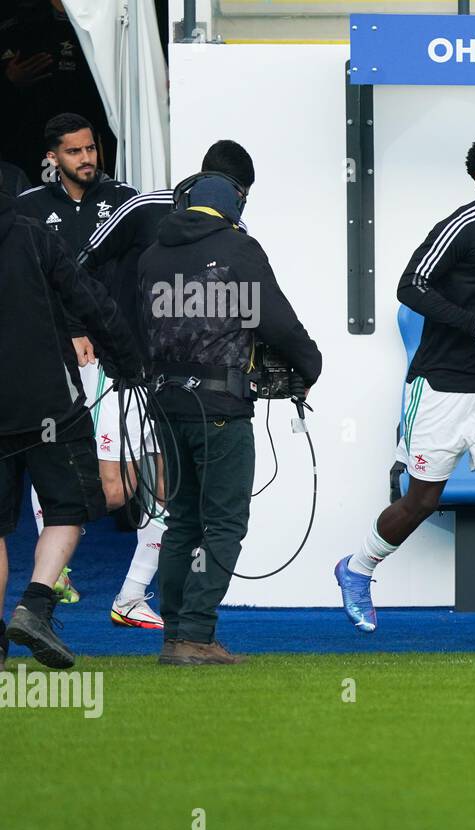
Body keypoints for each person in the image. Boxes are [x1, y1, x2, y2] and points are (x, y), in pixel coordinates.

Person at [334, 130, 475, 654]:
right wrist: (474, 325)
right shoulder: (462, 224)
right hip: (439, 388)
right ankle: (356, 567)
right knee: (421, 499)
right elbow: (410, 287)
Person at [69, 140, 258, 631]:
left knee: (172, 500)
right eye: (240, 193)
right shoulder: (143, 207)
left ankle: (131, 596)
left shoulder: (234, 233)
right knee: (116, 490)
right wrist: (83, 329)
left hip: (174, 386)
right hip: (125, 373)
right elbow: (76, 266)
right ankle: (45, 552)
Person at [139, 174, 322, 665]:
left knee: (182, 523)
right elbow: (276, 320)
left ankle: (175, 634)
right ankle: (197, 635)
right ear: (233, 206)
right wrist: (310, 365)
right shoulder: (239, 249)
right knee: (223, 523)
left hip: (166, 405)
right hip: (220, 408)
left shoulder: (152, 255)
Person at [0, 186, 144, 671]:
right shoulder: (35, 236)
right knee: (68, 507)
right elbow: (93, 302)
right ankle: (36, 605)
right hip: (48, 403)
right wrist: (126, 362)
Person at [17, 112, 141, 616]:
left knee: (128, 479)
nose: (87, 159)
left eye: (91, 149)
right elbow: (27, 285)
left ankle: (64, 546)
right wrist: (68, 331)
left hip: (116, 356)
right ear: (52, 158)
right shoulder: (28, 210)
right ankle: (56, 573)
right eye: (75, 151)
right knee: (49, 457)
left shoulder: (124, 201)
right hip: (56, 358)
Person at [0, 1, 117, 182]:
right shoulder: (13, 25)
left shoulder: (89, 23)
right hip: (23, 139)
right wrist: (9, 80)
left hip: (78, 128)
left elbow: (102, 95)